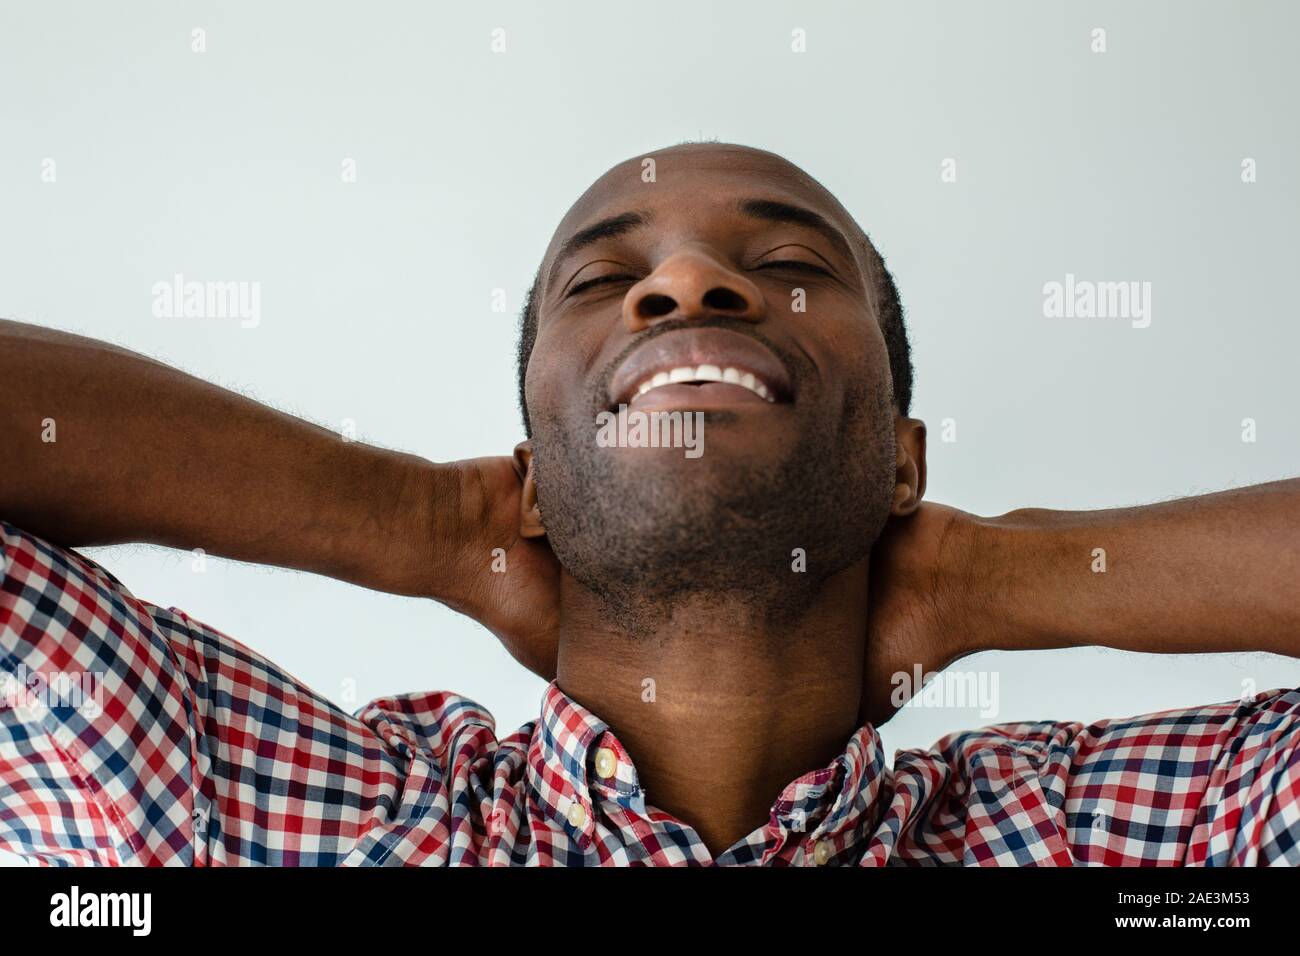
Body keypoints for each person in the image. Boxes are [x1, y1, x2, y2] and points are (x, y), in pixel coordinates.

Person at [1, 143, 1297, 866]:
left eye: (788, 264)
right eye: (600, 280)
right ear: (532, 473)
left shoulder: (1138, 843)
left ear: (905, 466)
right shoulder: (272, 818)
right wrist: (430, 524)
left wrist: (992, 574)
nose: (684, 279)